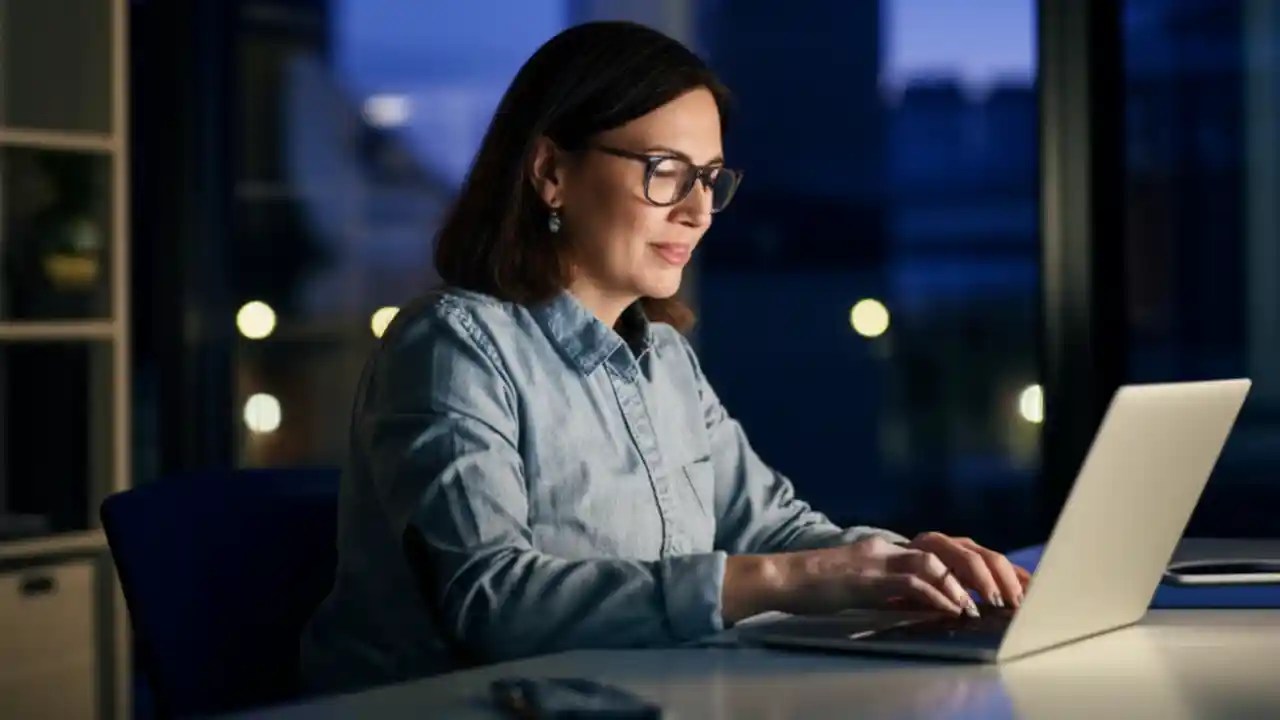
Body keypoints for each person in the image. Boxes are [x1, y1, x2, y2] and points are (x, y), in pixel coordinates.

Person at [300, 20, 1030, 694]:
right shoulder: (454, 345)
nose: (698, 210)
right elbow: (493, 603)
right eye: (664, 171)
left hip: (634, 697)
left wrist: (913, 564)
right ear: (551, 172)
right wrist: (785, 579)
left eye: (710, 178)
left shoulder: (666, 361)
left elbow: (773, 529)